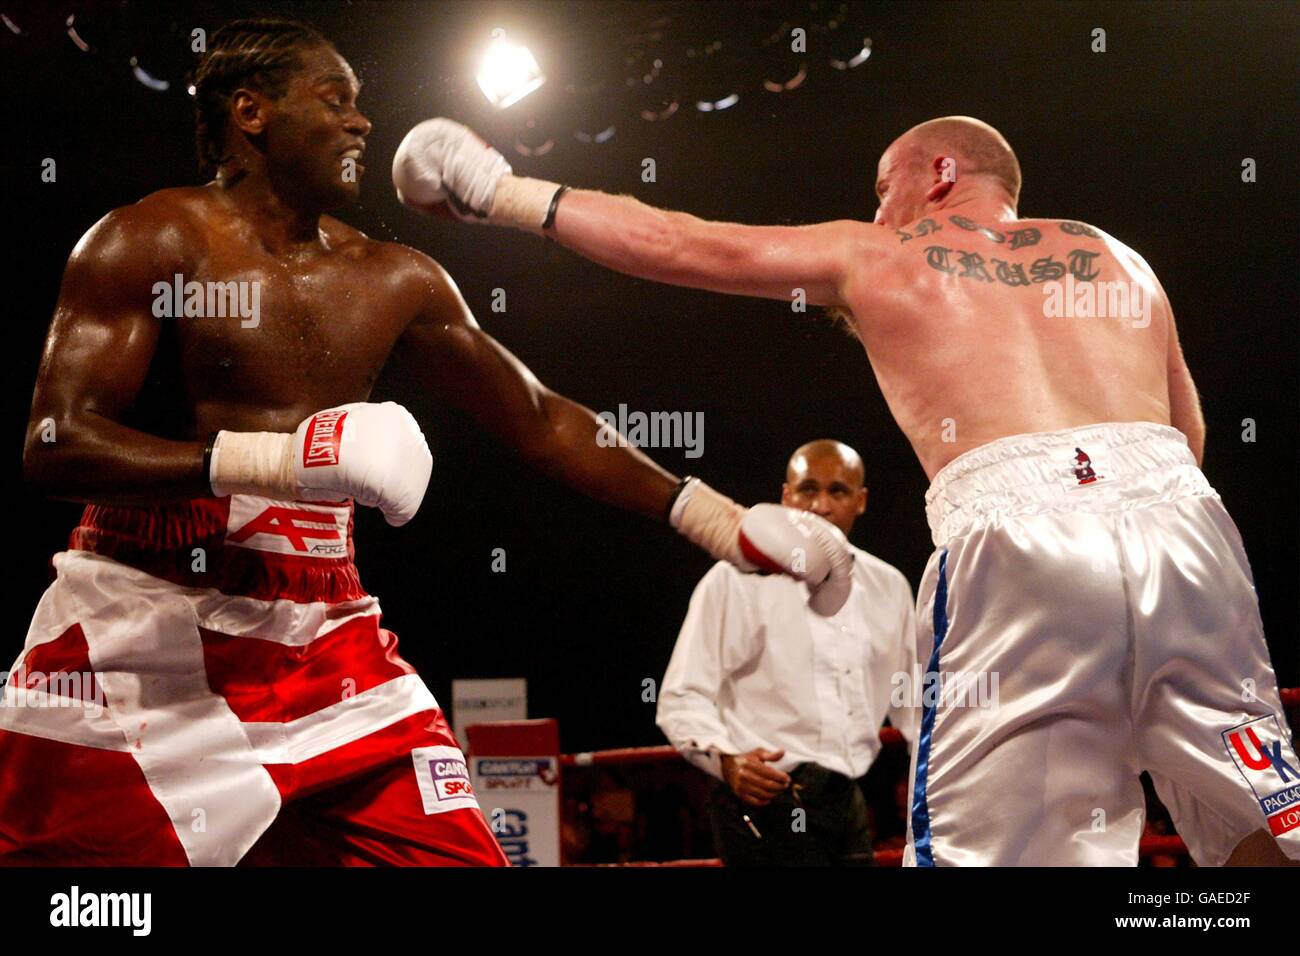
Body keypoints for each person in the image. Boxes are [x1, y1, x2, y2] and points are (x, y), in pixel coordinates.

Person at [0, 18, 852, 868]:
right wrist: (274, 462)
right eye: (335, 100)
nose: (362, 124)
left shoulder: (394, 277)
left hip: (327, 635)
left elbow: (543, 418)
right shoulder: (150, 239)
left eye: (361, 105)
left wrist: (712, 518)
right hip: (144, 628)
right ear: (250, 112)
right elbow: (54, 443)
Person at [394, 114, 1300, 866]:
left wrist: (497, 192)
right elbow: (1191, 433)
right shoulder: (1118, 259)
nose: (880, 202)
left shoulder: (881, 253)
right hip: (1183, 528)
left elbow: (679, 241)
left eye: (886, 182)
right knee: (1259, 819)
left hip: (1019, 538)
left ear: (940, 171)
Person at [657, 440, 915, 866]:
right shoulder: (733, 581)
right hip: (764, 801)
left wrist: (944, 786)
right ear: (785, 497)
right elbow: (681, 695)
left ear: (861, 501)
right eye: (808, 490)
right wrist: (727, 761)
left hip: (847, 799)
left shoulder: (888, 587)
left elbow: (916, 706)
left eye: (838, 491)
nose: (821, 505)